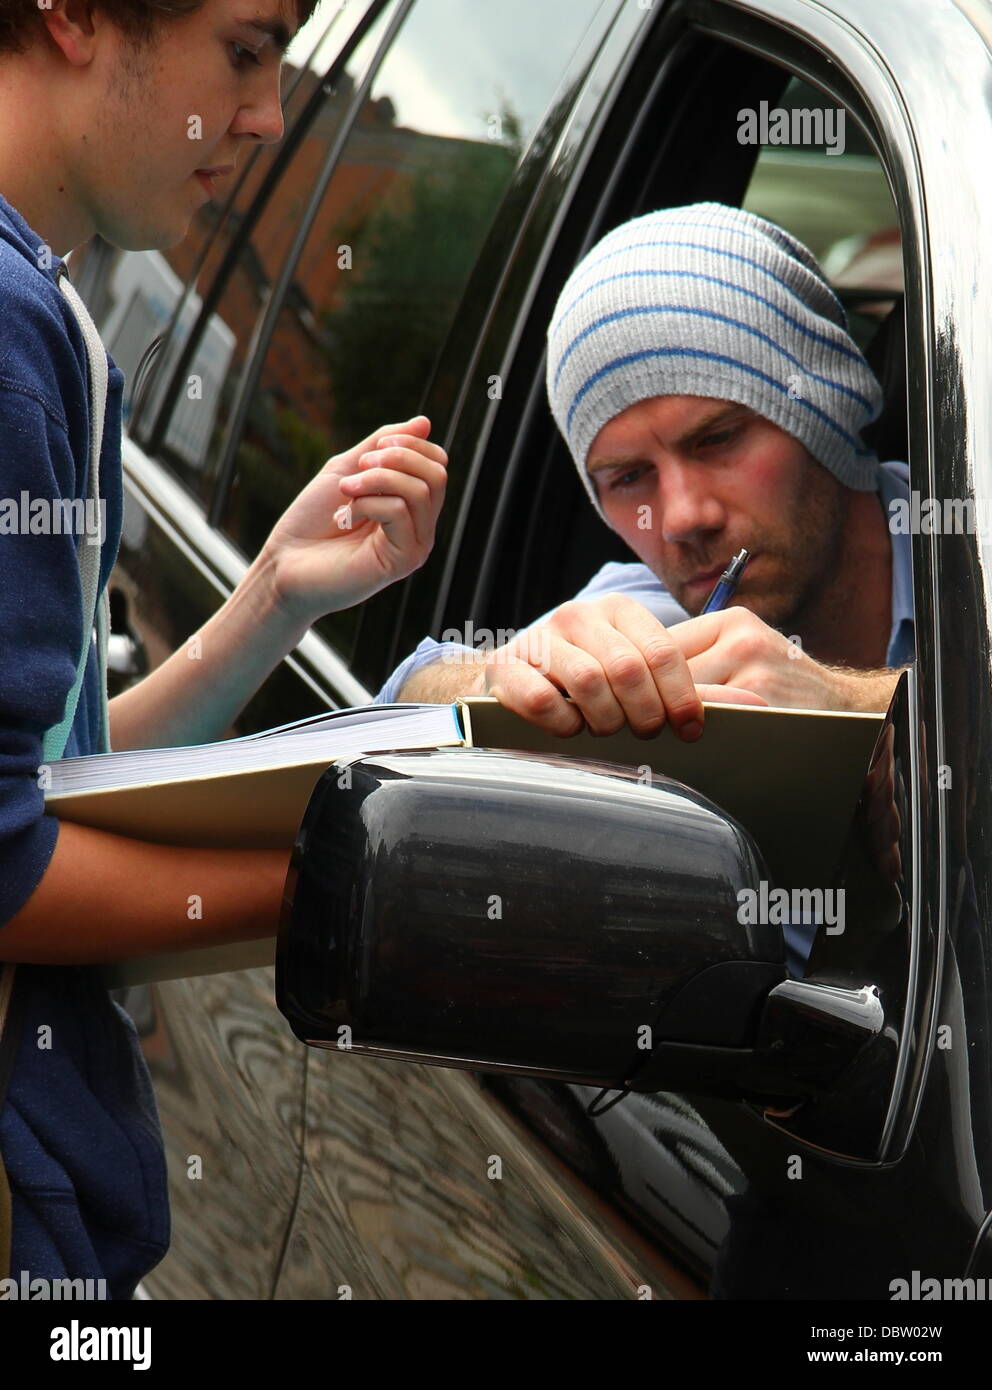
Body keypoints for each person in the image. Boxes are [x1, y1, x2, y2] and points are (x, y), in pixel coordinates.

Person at [0, 0, 447, 1296]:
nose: (267, 116)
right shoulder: (16, 340)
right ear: (73, 15)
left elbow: (42, 776)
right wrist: (356, 889)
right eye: (248, 50)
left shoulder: (43, 313)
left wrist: (272, 600)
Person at [377, 201, 913, 732]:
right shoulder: (649, 625)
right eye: (629, 477)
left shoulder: (968, 534)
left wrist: (855, 705)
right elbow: (398, 705)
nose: (681, 518)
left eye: (719, 439)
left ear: (826, 409)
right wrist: (493, 686)